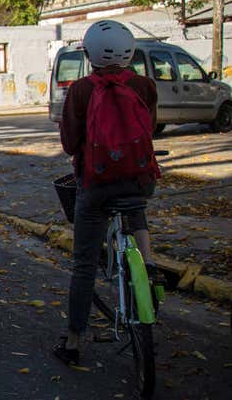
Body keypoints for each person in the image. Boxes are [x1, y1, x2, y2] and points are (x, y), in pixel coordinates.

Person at [54, 20, 162, 366]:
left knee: (84, 264)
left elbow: (70, 142)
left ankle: (73, 341)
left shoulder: (81, 90)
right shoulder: (144, 85)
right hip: (140, 181)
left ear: (90, 54)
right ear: (130, 52)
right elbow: (149, 130)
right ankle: (148, 263)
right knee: (134, 196)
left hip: (97, 185)